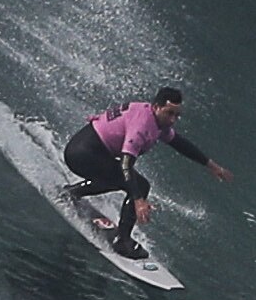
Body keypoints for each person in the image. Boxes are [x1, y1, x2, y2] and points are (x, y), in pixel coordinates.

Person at [62, 86, 230, 259]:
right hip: (83, 154)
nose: (173, 120)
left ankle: (72, 193)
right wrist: (138, 200)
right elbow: (126, 164)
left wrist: (211, 165)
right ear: (156, 107)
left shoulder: (156, 119)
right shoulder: (142, 126)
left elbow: (179, 143)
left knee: (116, 178)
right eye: (170, 113)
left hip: (88, 149)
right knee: (139, 186)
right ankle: (122, 241)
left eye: (177, 115)